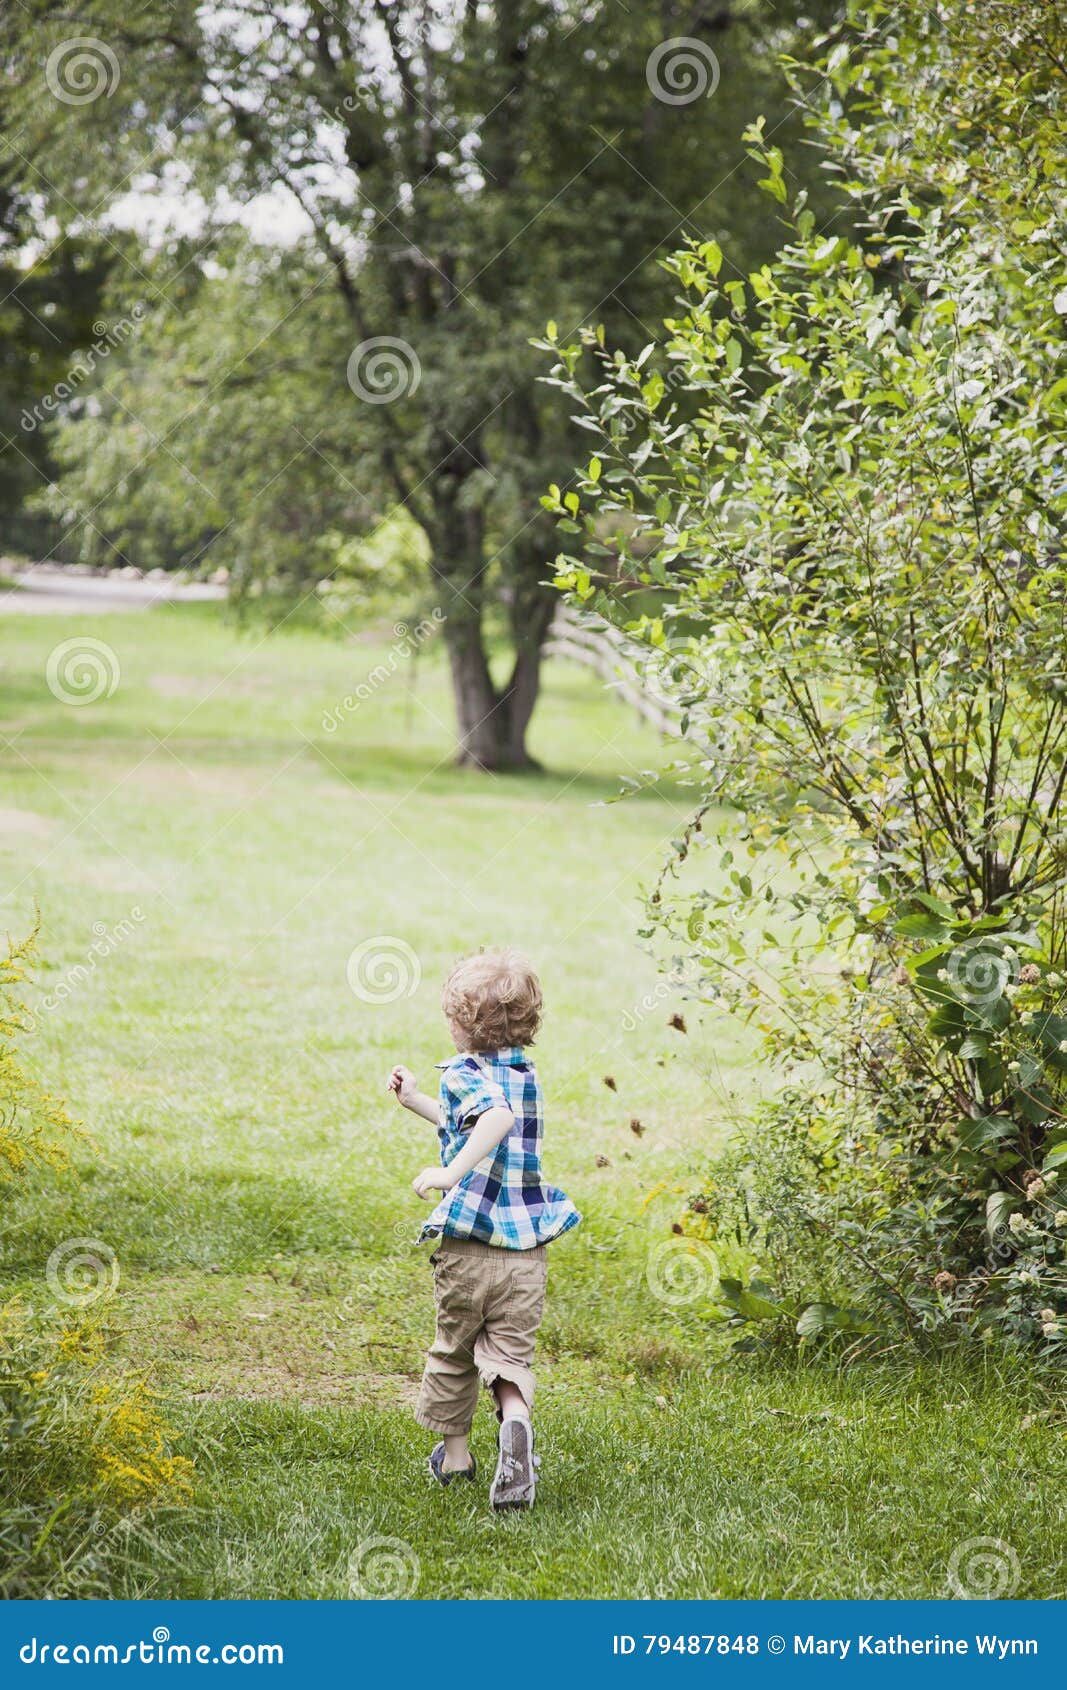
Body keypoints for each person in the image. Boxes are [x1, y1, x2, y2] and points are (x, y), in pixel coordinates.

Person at [388, 947, 580, 1510]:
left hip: (470, 1248)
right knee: (509, 1358)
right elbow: (474, 1118)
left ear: (462, 1024)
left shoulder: (468, 1073)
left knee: (454, 1350)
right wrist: (416, 1100)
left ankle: (456, 1458)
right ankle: (515, 1423)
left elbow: (490, 1118)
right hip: (526, 1253)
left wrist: (449, 1172)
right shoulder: (524, 1074)